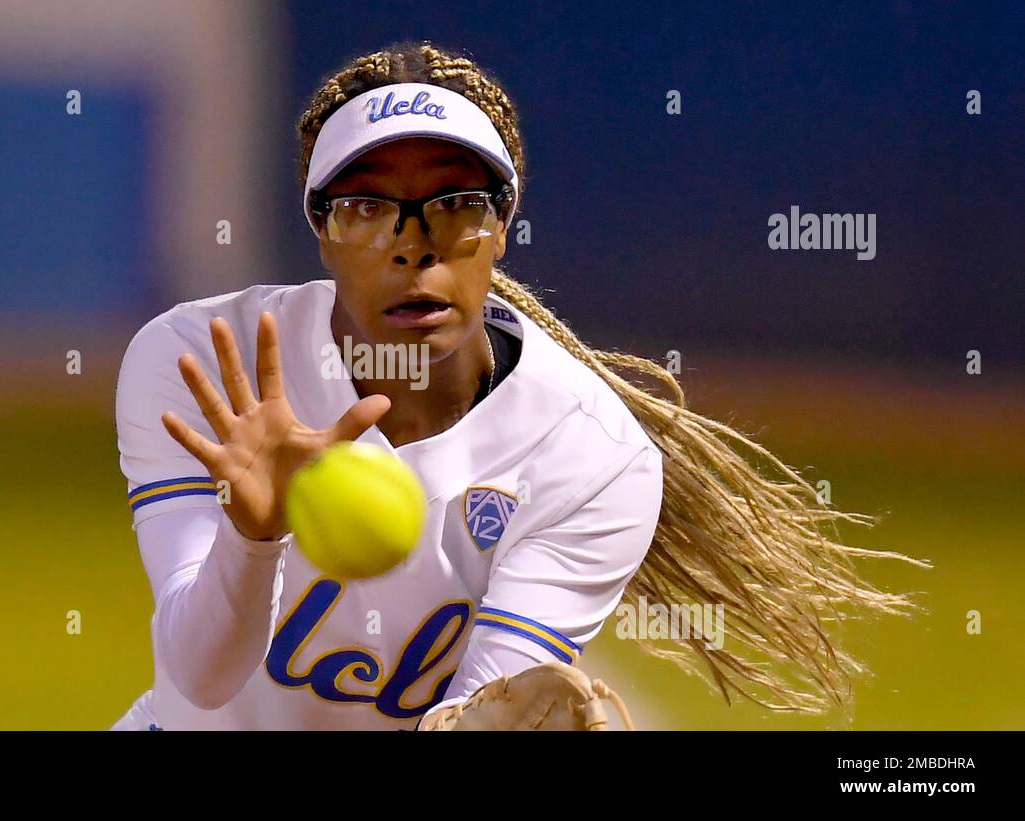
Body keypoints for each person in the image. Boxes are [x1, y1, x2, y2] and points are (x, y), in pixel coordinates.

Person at [111, 42, 921, 730]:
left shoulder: (589, 455)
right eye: (366, 206)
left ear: (501, 224)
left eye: (455, 204)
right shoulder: (201, 365)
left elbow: (476, 719)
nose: (412, 244)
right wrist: (252, 534)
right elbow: (201, 679)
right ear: (320, 229)